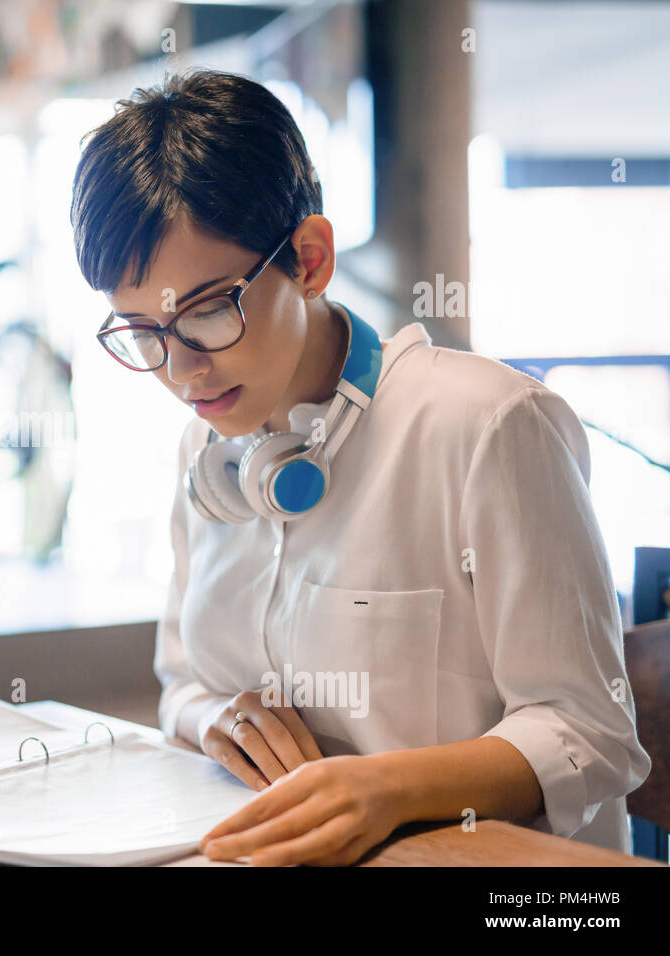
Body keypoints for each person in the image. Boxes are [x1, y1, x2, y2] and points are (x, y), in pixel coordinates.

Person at [69, 69, 650, 865]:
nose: (181, 371)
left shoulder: (488, 427)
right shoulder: (205, 452)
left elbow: (590, 733)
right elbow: (182, 682)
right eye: (141, 331)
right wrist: (218, 722)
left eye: (206, 312)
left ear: (309, 260)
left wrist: (385, 789)